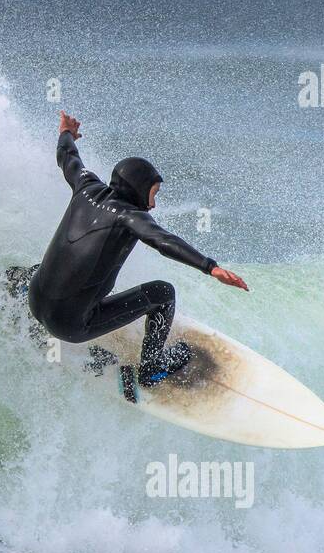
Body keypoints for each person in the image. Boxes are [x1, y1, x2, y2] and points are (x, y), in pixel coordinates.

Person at [27, 110, 248, 384]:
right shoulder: (131, 217)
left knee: (57, 266)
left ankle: (21, 293)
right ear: (139, 189)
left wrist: (66, 133)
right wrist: (210, 267)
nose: (153, 204)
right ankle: (151, 368)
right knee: (163, 293)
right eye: (153, 194)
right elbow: (163, 241)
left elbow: (68, 157)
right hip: (70, 326)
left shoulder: (86, 186)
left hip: (35, 302)